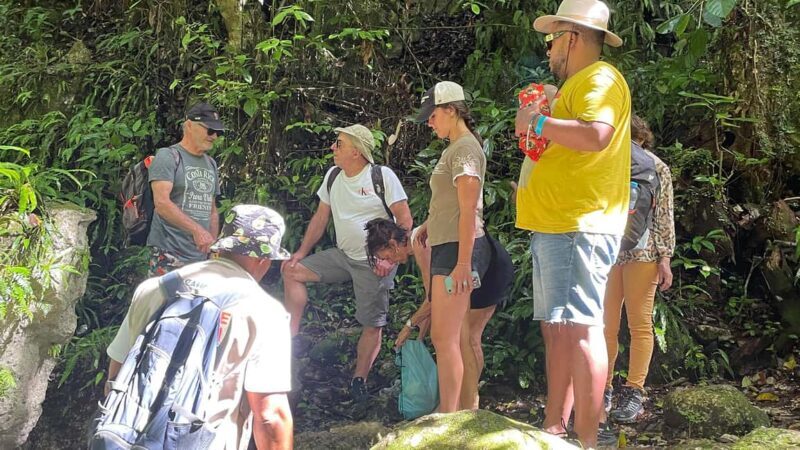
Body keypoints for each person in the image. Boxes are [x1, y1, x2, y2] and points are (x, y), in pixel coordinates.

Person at [515, 0, 631, 447]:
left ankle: (587, 440)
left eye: (552, 40)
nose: (548, 50)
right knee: (559, 328)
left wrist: (539, 121)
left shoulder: (601, 78)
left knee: (582, 328)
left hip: (578, 224)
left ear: (573, 38)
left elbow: (597, 134)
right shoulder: (578, 84)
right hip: (558, 225)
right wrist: (547, 108)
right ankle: (555, 428)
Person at [105, 204, 294, 449]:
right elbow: (270, 416)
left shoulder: (153, 289)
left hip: (126, 440)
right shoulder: (265, 311)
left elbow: (116, 376)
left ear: (221, 247)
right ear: (264, 259)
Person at [281, 124, 412, 403]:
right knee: (291, 271)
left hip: (373, 263)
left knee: (372, 323)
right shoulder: (333, 176)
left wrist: (390, 260)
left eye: (339, 143)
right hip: (342, 256)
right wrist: (301, 252)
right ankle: (289, 341)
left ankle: (358, 381)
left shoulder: (381, 176)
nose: (333, 147)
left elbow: (404, 219)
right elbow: (320, 217)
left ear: (356, 151)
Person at [364, 218, 513, 409]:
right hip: (471, 272)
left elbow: (434, 298)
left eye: (385, 256)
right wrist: (420, 332)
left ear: (393, 245)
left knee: (469, 339)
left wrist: (410, 325)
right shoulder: (418, 244)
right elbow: (434, 298)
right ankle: (459, 402)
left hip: (489, 270)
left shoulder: (421, 243)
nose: (389, 262)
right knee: (462, 339)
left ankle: (465, 403)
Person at [413, 80, 490, 413]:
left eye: (433, 116)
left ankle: (449, 416)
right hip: (449, 245)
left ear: (451, 110)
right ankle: (452, 412)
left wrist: (462, 264)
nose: (430, 123)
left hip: (459, 250)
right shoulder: (456, 148)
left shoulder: (464, 149)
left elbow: (469, 209)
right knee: (449, 337)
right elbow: (452, 202)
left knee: (444, 338)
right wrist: (430, 224)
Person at [603, 114, 675, 423]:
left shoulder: (609, 159)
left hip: (611, 251)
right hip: (643, 252)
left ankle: (607, 388)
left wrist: (665, 257)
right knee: (639, 325)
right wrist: (665, 256)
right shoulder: (657, 166)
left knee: (607, 325)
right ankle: (631, 390)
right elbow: (664, 215)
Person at [147, 102, 223, 277]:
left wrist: (212, 245)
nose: (214, 136)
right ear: (189, 125)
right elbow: (162, 203)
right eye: (210, 130)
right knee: (165, 296)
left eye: (218, 132)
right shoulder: (168, 156)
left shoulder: (211, 163)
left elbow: (212, 209)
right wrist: (197, 231)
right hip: (169, 253)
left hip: (200, 257)